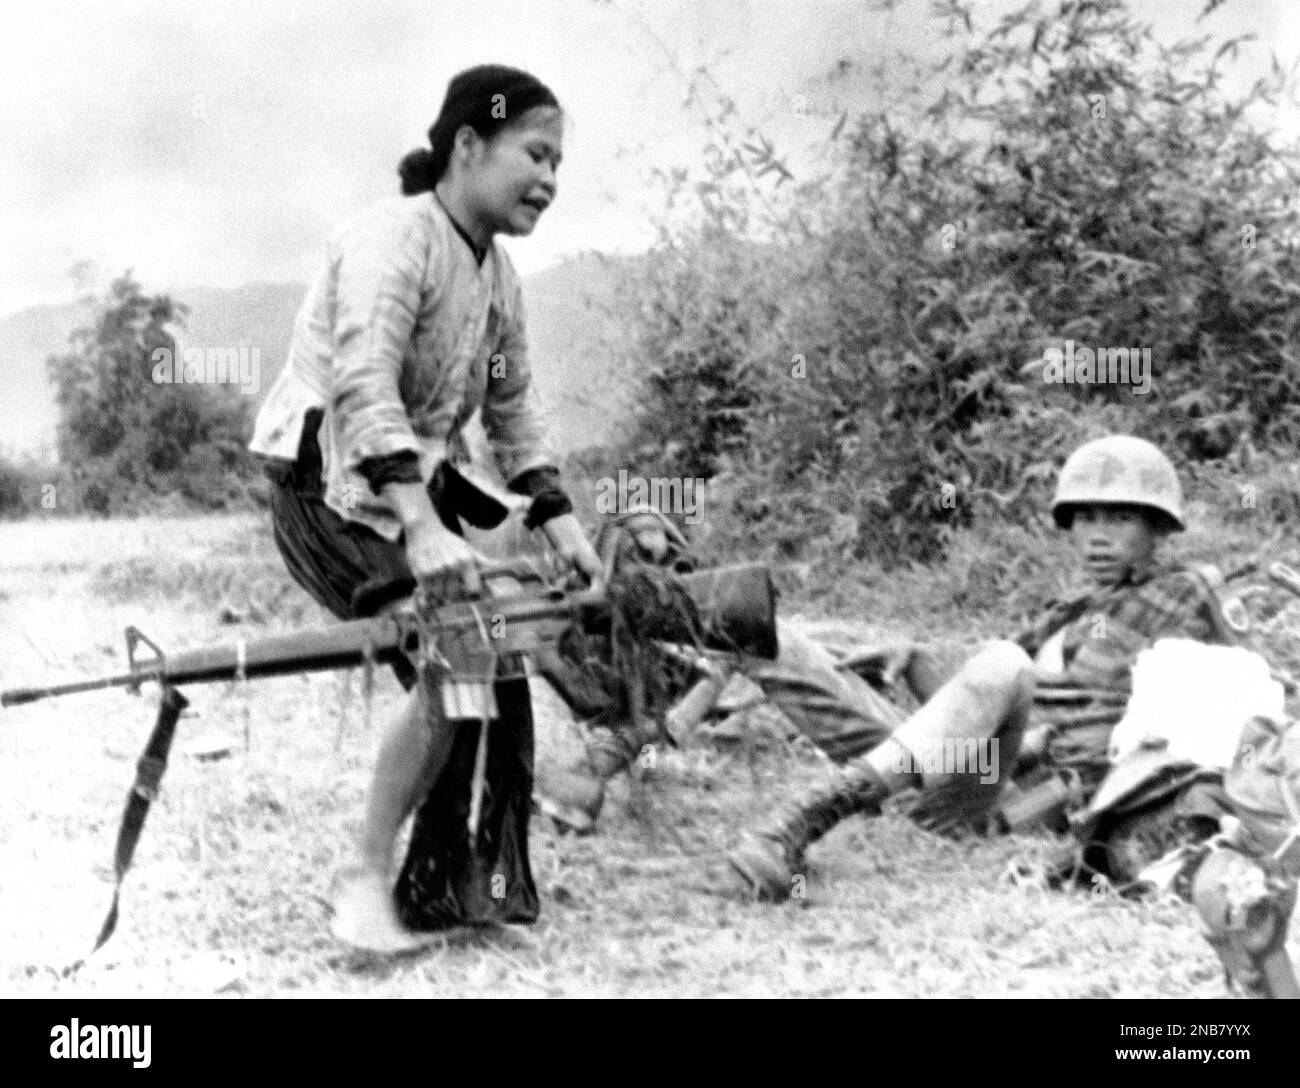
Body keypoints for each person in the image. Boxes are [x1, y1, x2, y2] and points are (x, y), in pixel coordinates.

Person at [249, 65, 603, 951]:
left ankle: (454, 893)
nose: (549, 179)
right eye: (535, 154)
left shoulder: (498, 279)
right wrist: (423, 528)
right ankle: (363, 881)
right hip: (331, 492)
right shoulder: (393, 241)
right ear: (468, 145)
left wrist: (562, 524)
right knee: (458, 654)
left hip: (409, 496)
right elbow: (364, 385)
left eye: (559, 164)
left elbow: (513, 410)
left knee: (499, 669)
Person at [727, 434, 1241, 901]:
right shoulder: (1071, 610)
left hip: (1013, 801)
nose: (1098, 537)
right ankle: (681, 639)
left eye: (1120, 519)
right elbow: (979, 702)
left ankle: (804, 819)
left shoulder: (1186, 593)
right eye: (1086, 519)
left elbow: (1253, 708)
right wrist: (916, 658)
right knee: (766, 635)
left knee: (1006, 662)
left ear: (1159, 527)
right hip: (933, 770)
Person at [532, 500, 905, 833]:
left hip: (889, 754)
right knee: (750, 642)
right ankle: (606, 760)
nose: (652, 559)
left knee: (746, 642)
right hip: (884, 743)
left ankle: (604, 761)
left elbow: (726, 658)